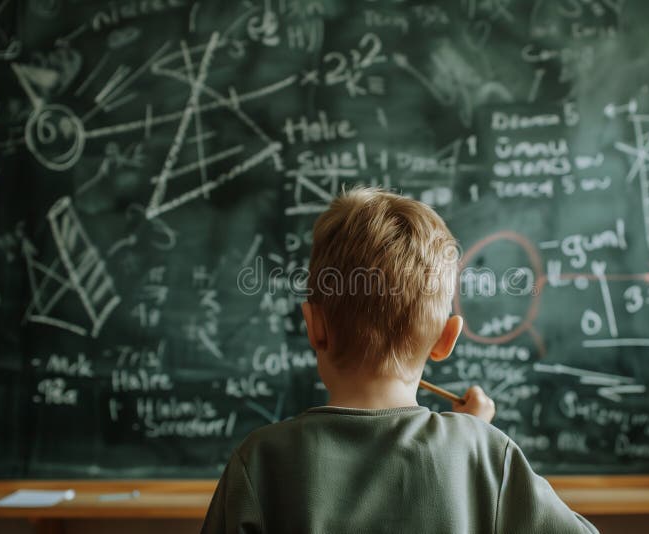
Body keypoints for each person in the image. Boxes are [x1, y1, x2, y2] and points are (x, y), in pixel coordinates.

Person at [201, 187, 598, 533]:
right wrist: (473, 440)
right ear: (446, 339)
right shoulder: (483, 453)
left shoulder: (260, 463)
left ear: (314, 326)